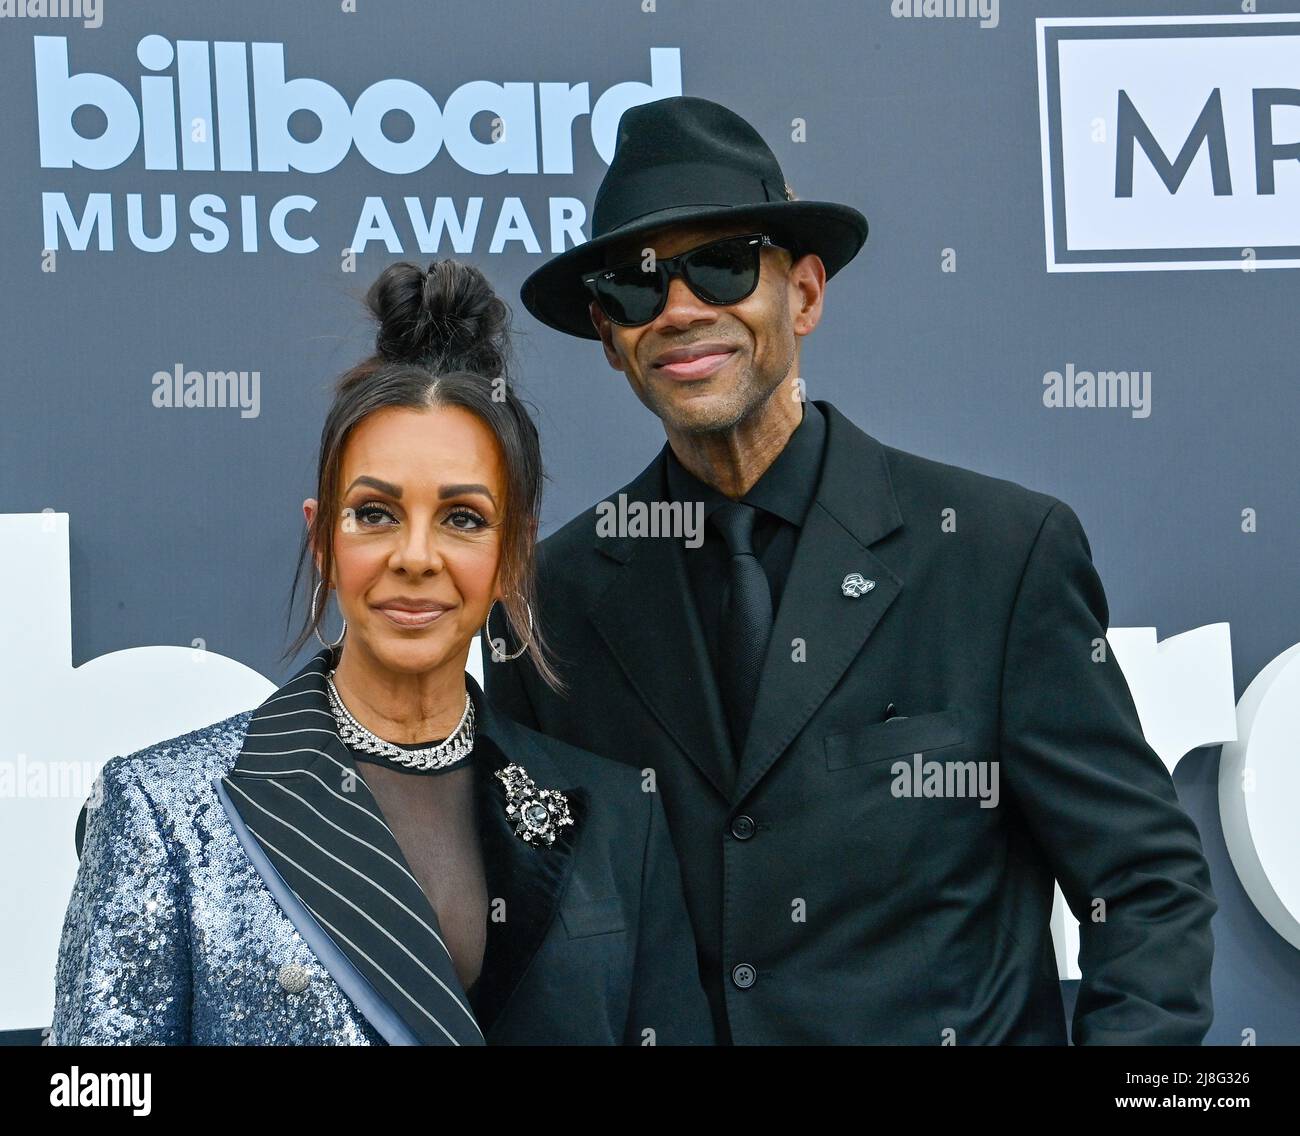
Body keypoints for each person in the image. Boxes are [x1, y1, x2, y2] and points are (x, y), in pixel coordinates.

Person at [483, 95, 1218, 1044]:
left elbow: (1145, 887)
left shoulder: (998, 554)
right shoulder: (552, 606)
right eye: (635, 285)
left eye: (722, 263)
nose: (679, 309)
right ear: (610, 336)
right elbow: (543, 951)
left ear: (806, 293)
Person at [51, 260, 712, 1046]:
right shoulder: (164, 810)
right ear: (323, 538)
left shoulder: (612, 821)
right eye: (375, 513)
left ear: (513, 554)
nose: (416, 556)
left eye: (463, 518)